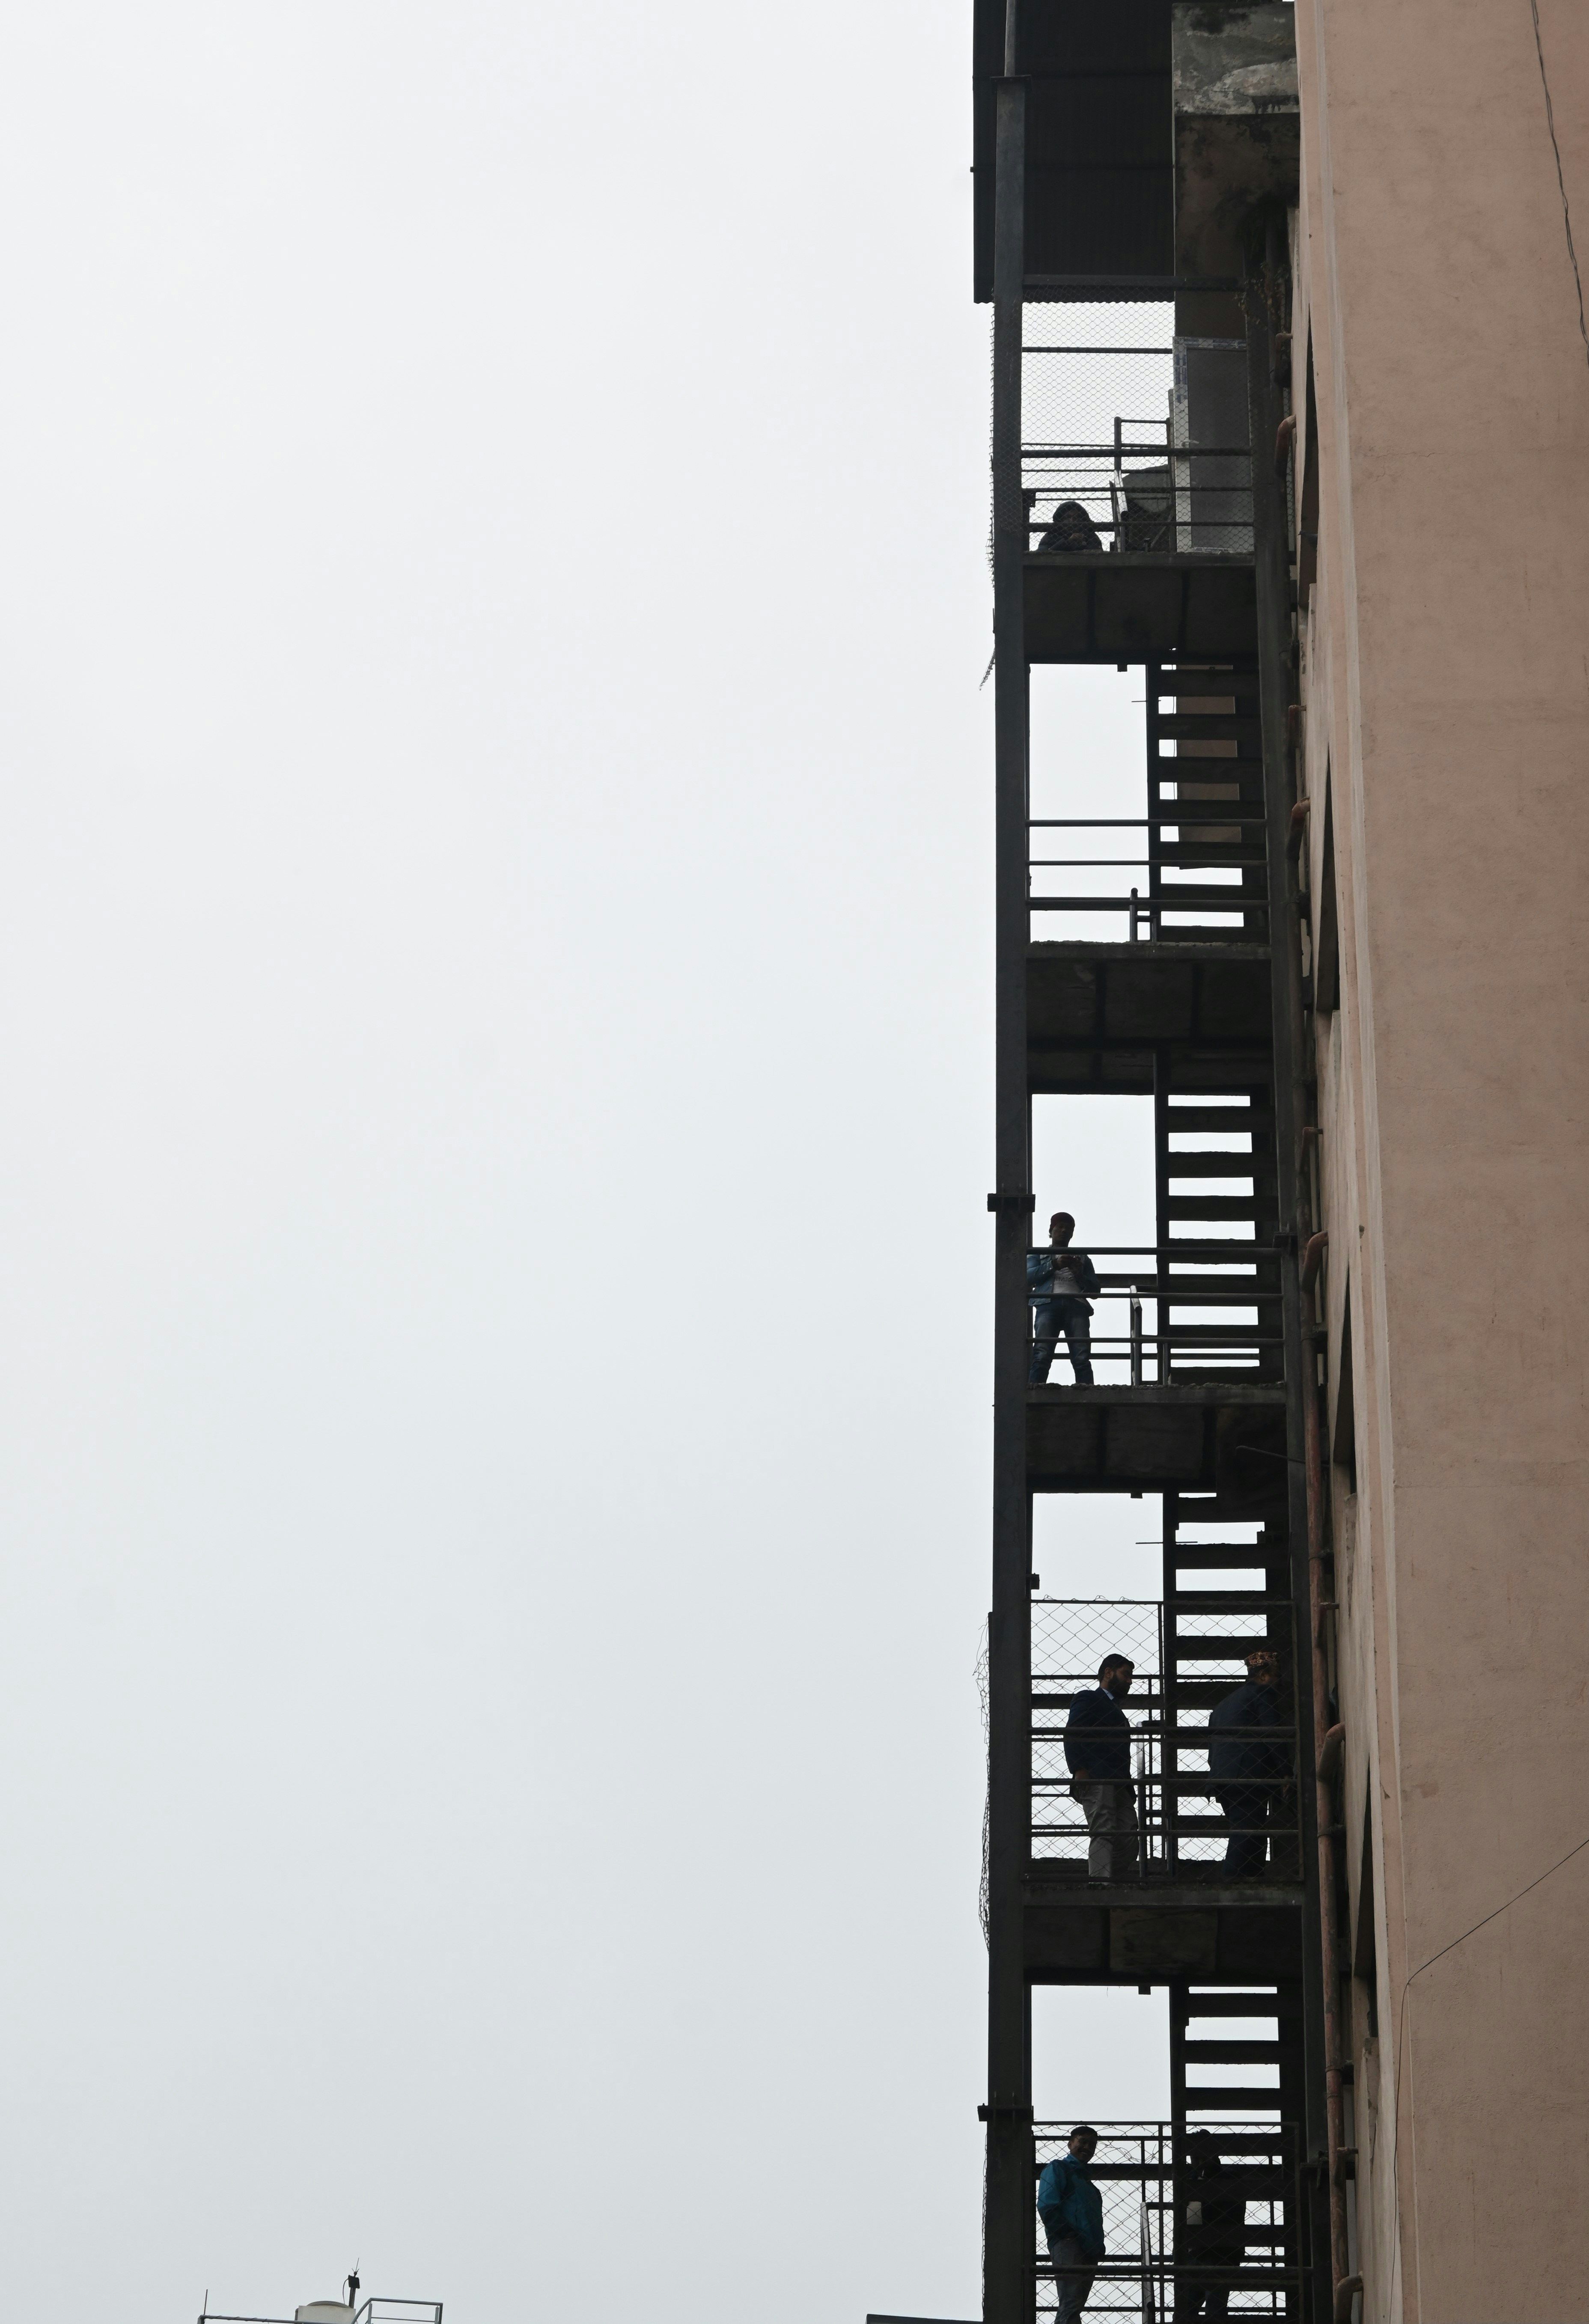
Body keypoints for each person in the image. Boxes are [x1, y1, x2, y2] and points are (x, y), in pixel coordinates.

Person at [1207, 1644, 1288, 1876]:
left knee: (1249, 1830)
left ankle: (1250, 1878)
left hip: (1224, 1777)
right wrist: (1285, 1772)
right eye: (1275, 1675)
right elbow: (1272, 1733)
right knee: (1247, 1833)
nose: (1278, 1682)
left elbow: (1213, 1747)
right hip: (1248, 1777)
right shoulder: (1262, 1694)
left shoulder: (1224, 1705)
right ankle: (1230, 1884)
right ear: (1263, 1676)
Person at [1064, 1654, 1139, 1881]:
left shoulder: (1115, 1709)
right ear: (1108, 1673)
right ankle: (1100, 1884)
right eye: (1126, 1675)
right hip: (1097, 1776)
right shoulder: (1088, 1698)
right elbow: (1073, 1732)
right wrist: (1079, 1769)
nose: (1130, 1681)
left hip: (1120, 1782)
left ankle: (1111, 1880)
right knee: (1104, 1830)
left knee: (1129, 1835)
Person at [1173, 2131, 1247, 2322]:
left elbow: (1229, 2214)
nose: (1197, 2161)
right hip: (1195, 2253)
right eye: (1194, 2156)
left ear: (1214, 2153)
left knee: (1213, 2311)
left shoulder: (1227, 2177)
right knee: (1186, 2311)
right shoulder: (1192, 2178)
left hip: (1218, 2254)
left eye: (1201, 2155)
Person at [1038, 2126, 1106, 2324]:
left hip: (1088, 2248)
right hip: (1069, 2243)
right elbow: (1046, 2204)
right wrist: (1065, 2233)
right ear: (1070, 2143)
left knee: (1074, 2304)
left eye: (1092, 2145)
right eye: (1082, 2141)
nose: (1087, 2147)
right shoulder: (1059, 2168)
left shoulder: (1087, 2184)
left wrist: (1097, 2248)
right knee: (1070, 2303)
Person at [1028, 1212, 1101, 1386]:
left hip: (1077, 1305)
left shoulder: (1083, 1258)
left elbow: (1095, 1291)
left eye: (1068, 1228)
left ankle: (1086, 1391)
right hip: (1048, 1304)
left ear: (1072, 1233)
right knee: (1042, 1353)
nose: (1064, 1230)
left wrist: (1080, 1275)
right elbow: (1027, 1277)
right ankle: (1034, 1389)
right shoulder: (1037, 1255)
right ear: (1051, 1230)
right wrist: (1054, 1264)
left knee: (1081, 1356)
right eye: (1059, 1227)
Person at [1037, 499, 1104, 553]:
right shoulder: (1052, 536)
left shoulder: (1089, 535)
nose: (1072, 521)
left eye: (1076, 518)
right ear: (1061, 520)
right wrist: (1068, 543)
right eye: (1067, 518)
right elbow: (1041, 555)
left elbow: (1098, 555)